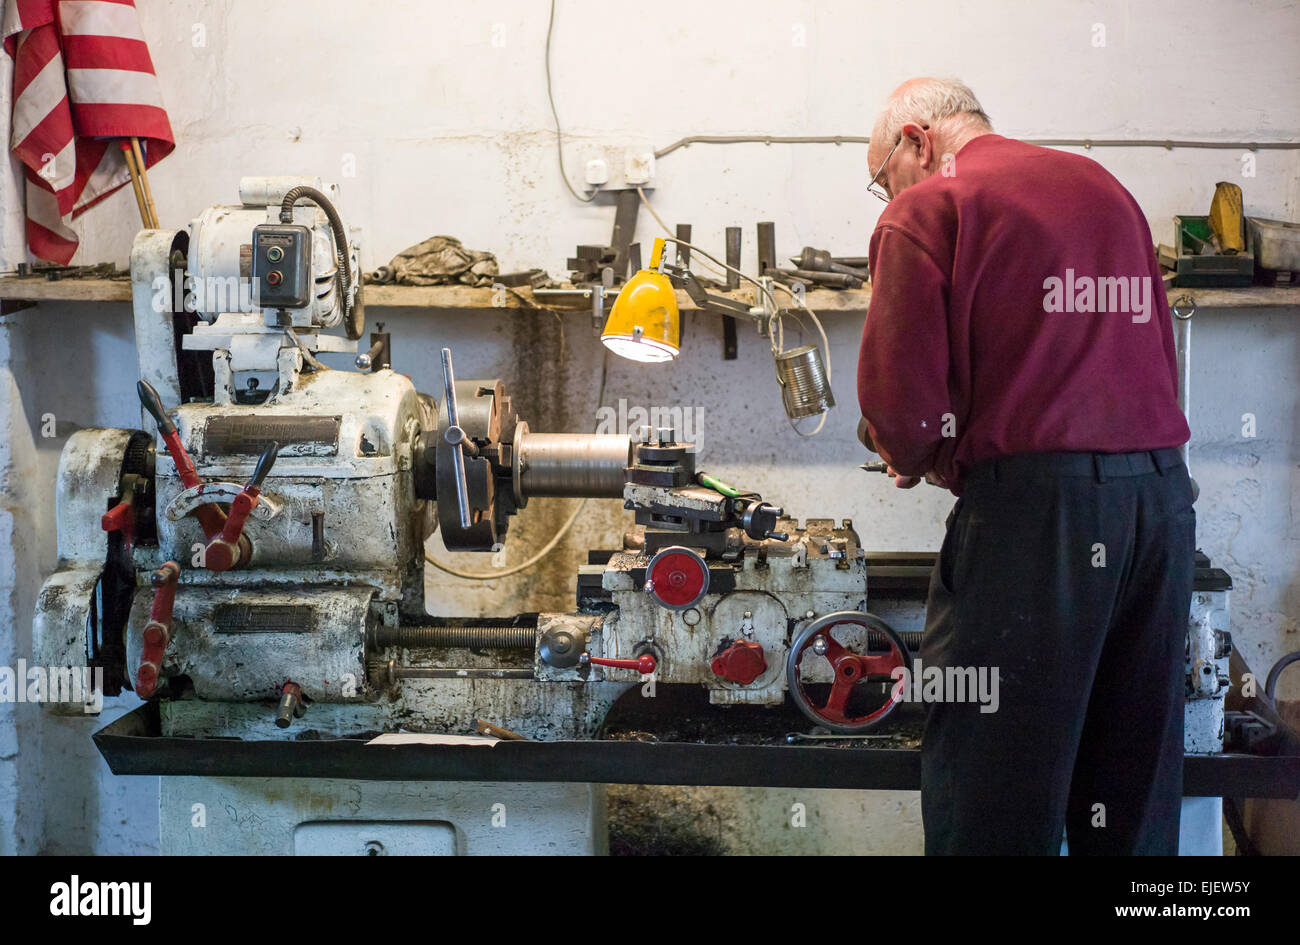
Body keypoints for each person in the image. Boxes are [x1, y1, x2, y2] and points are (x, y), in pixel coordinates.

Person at [857, 77, 1194, 855]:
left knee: (995, 788)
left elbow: (901, 413)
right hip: (1159, 504)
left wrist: (912, 452)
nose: (886, 196)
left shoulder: (928, 207)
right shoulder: (1103, 186)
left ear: (916, 139)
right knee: (1131, 784)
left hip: (1039, 521)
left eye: (882, 178)